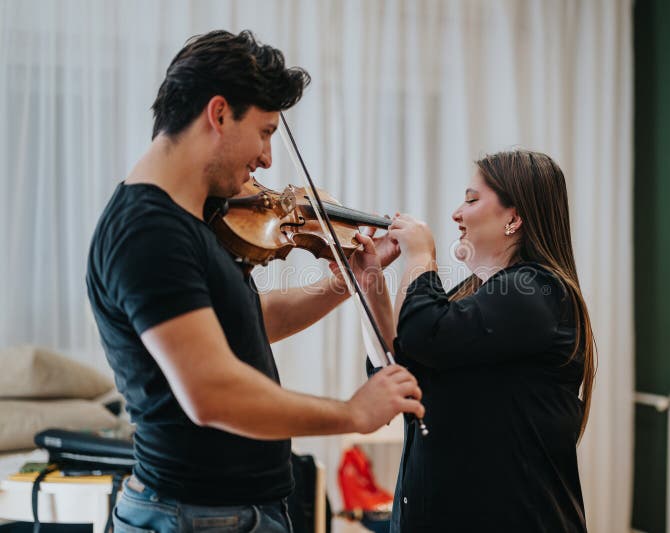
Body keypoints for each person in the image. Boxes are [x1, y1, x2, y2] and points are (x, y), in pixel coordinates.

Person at [85, 30, 424, 533]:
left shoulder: (192, 219)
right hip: (196, 516)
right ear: (218, 114)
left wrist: (344, 282)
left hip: (222, 513)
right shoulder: (148, 231)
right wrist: (353, 413)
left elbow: (250, 319)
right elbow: (211, 392)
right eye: (265, 132)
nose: (267, 158)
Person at [379, 150, 596, 532]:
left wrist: (420, 255)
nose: (456, 214)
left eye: (471, 199)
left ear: (513, 218)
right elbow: (400, 360)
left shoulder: (537, 290)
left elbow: (425, 334)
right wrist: (371, 279)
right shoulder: (476, 293)